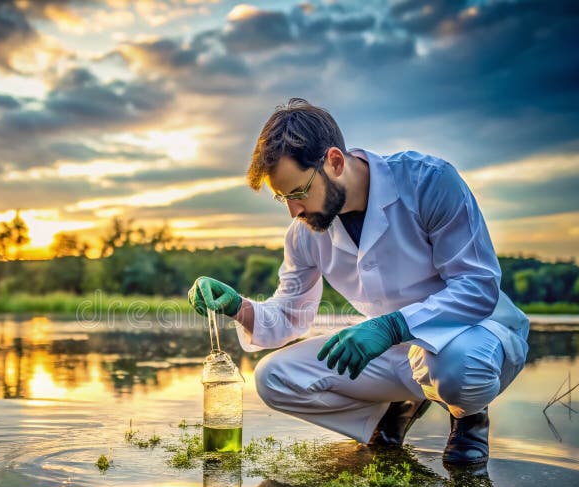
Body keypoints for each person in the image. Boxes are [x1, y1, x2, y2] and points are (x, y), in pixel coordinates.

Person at [188, 98, 529, 465]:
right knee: (274, 378)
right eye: (282, 198)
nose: (293, 210)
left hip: (472, 336)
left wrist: (392, 326)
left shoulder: (428, 182)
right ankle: (389, 416)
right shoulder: (304, 232)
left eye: (299, 192)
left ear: (334, 161)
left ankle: (468, 416)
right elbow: (291, 314)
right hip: (396, 353)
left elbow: (477, 286)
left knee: (460, 369)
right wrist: (238, 307)